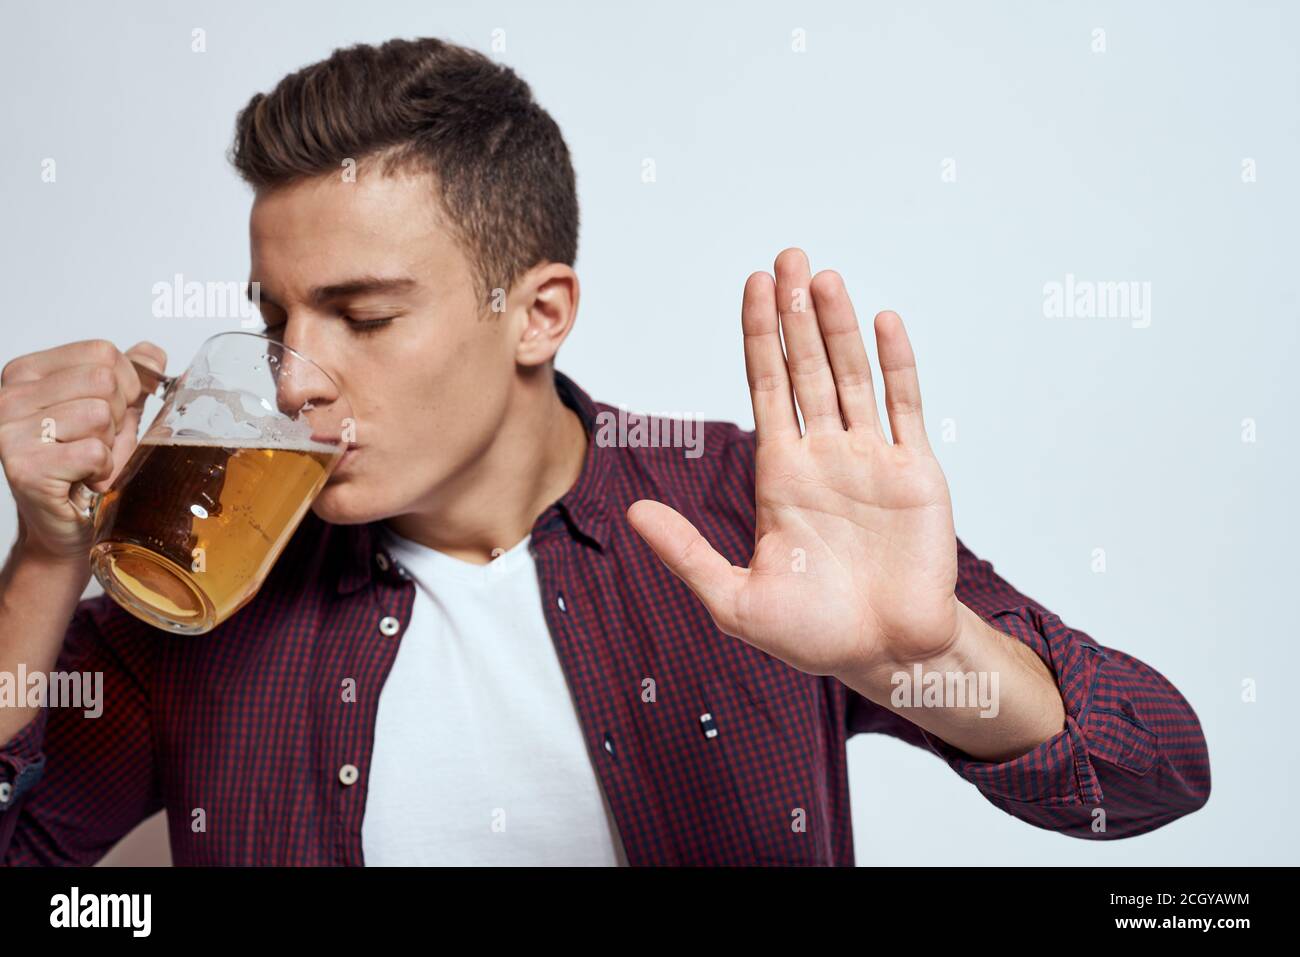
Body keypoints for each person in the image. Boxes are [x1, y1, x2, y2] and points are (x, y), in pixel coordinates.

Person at [0, 37, 1209, 866]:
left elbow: (1150, 772)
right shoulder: (205, 583)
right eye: (275, 319)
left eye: (363, 316)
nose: (295, 375)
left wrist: (926, 656)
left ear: (538, 313)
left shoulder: (751, 509)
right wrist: (49, 557)